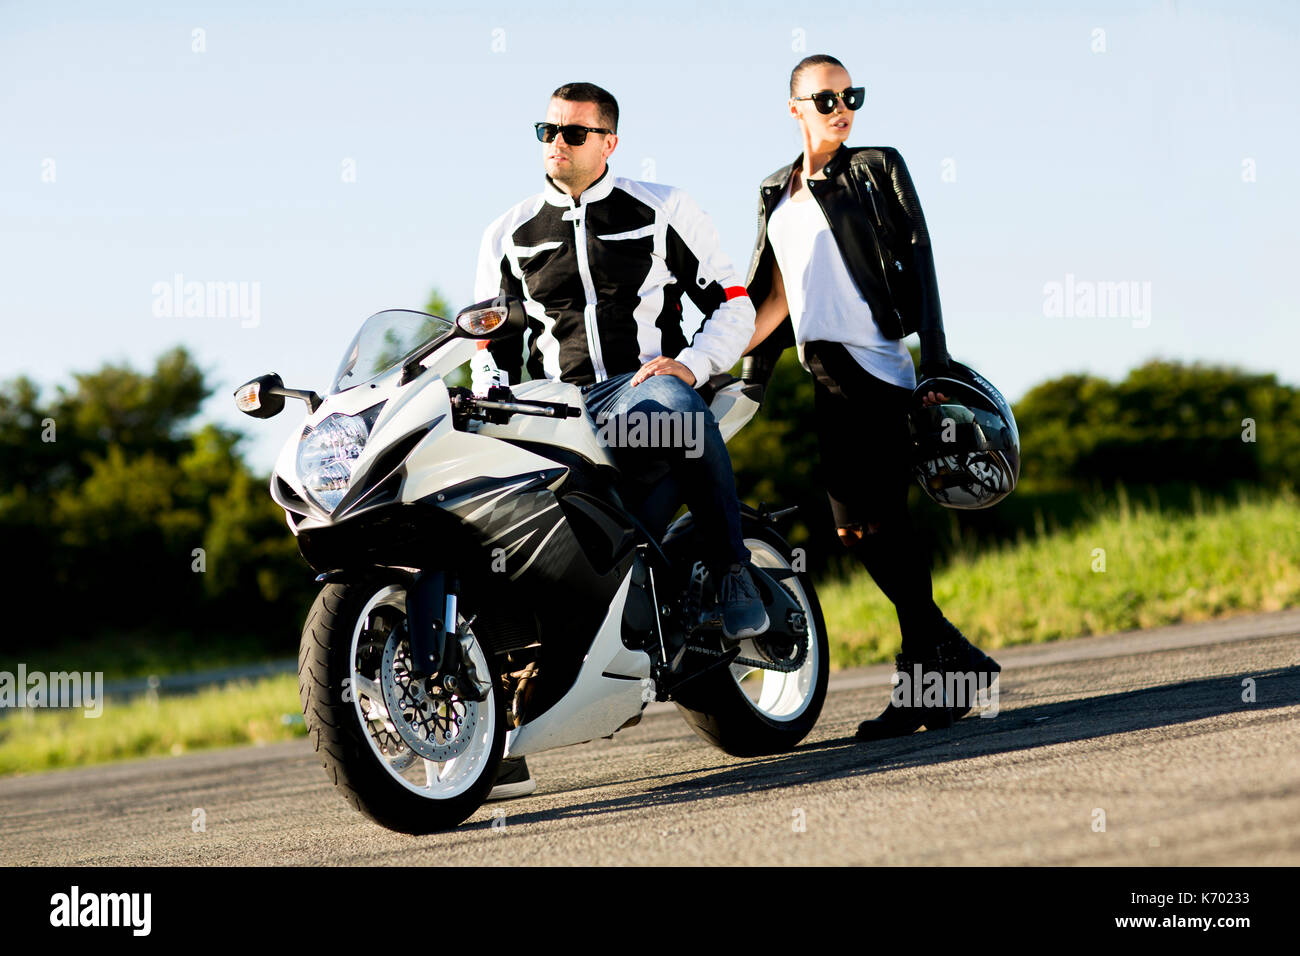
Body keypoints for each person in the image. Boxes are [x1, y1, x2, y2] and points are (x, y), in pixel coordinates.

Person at [474, 81, 768, 798]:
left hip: (641, 389)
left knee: (673, 403)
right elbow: (487, 346)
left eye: (573, 134)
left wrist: (692, 363)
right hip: (550, 410)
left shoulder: (664, 207)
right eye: (546, 130)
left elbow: (735, 304)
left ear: (608, 142)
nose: (556, 143)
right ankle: (497, 729)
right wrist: (489, 395)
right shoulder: (507, 233)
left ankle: (731, 569)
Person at [741, 55, 1000, 741]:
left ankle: (932, 674)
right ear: (793, 107)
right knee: (855, 526)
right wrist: (716, 359)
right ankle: (946, 663)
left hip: (876, 366)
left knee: (878, 520)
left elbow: (919, 252)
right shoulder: (775, 191)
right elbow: (770, 297)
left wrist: (936, 355)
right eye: (824, 98)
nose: (840, 108)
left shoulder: (876, 166)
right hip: (820, 369)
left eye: (849, 96)